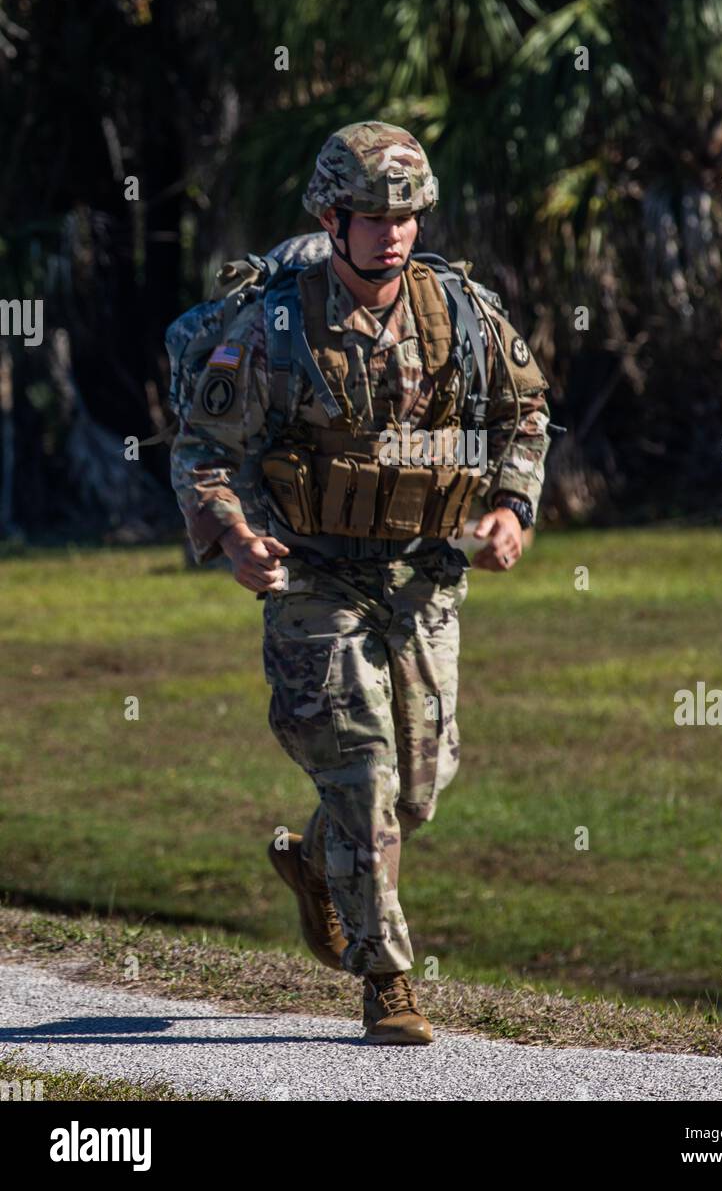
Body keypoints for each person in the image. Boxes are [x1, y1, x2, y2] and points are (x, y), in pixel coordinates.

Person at [170, 121, 551, 1044]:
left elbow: (525, 412)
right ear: (331, 219)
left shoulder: (458, 311)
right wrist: (235, 536)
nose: (392, 233)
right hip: (312, 577)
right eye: (371, 216)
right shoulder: (276, 325)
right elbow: (202, 452)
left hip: (422, 573)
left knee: (417, 790)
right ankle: (386, 981)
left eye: (406, 216)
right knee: (364, 771)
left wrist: (511, 505)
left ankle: (315, 860)